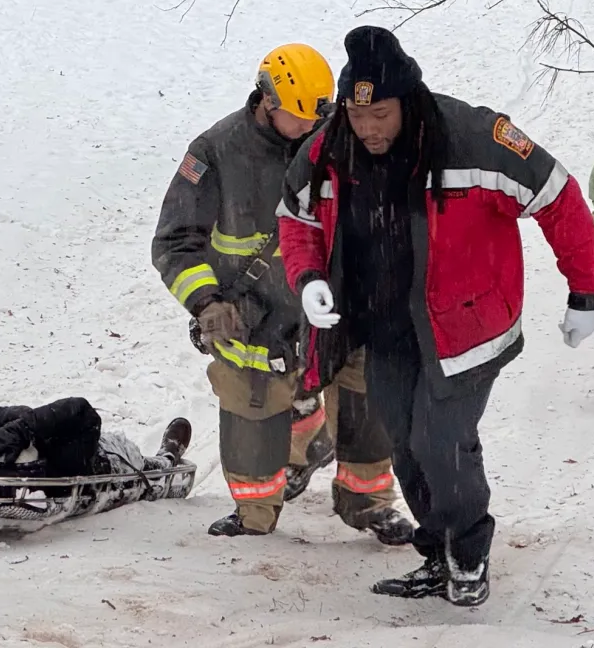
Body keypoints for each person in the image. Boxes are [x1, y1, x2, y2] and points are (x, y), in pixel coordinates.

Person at [277, 25, 594, 607]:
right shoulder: (330, 147)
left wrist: (587, 292)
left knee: (441, 440)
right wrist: (309, 280)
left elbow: (558, 196)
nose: (369, 127)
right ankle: (438, 552)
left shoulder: (475, 137)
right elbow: (295, 217)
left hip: (467, 325)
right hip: (385, 326)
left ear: (408, 99)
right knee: (403, 442)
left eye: (381, 113)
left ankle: (468, 553)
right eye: (358, 112)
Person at [151, 43, 413, 543]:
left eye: (321, 115)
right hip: (255, 316)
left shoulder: (339, 136)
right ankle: (254, 514)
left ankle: (370, 505)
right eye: (299, 117)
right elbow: (174, 240)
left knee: (365, 402)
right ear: (267, 102)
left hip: (341, 308)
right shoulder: (216, 151)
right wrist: (208, 302)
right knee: (252, 414)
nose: (312, 127)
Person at [0, 398, 194, 498]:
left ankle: (167, 456)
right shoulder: (57, 464)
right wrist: (23, 427)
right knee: (144, 467)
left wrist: (18, 422)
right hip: (107, 462)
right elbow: (85, 415)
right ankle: (167, 457)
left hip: (96, 447)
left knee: (144, 465)